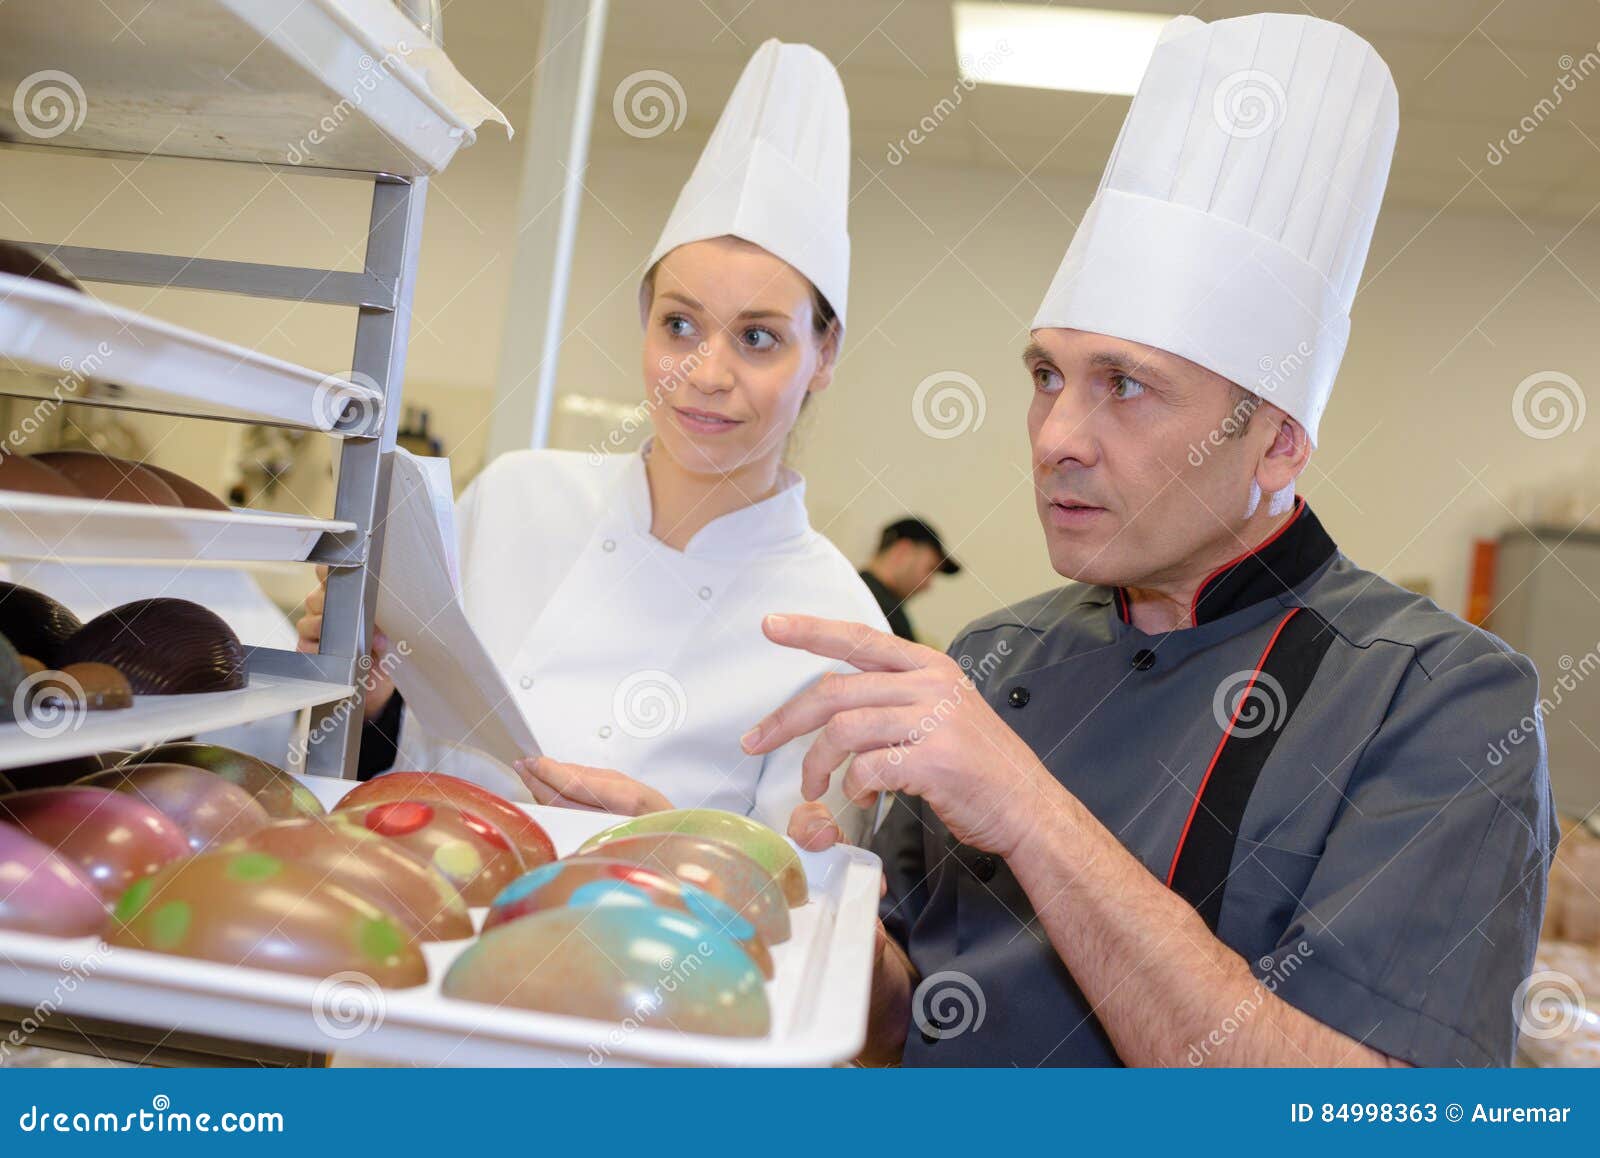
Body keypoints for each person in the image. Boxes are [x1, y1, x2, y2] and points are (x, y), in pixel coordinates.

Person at [749, 13, 1555, 1066]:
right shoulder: (995, 658)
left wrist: (1030, 810)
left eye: (1125, 386)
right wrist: (779, 910)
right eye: (1046, 377)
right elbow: (906, 1016)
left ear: (1274, 446)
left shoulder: (1438, 697)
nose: (1056, 440)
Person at [299, 39, 888, 839]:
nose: (705, 373)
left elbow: (812, 906)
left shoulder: (839, 631)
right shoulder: (514, 495)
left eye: (758, 338)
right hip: (401, 909)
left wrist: (675, 841)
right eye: (680, 325)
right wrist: (357, 687)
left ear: (823, 355)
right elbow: (389, 743)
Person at [858, 517, 959, 642]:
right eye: (929, 569)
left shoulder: (846, 588)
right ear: (902, 551)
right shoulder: (888, 616)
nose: (928, 585)